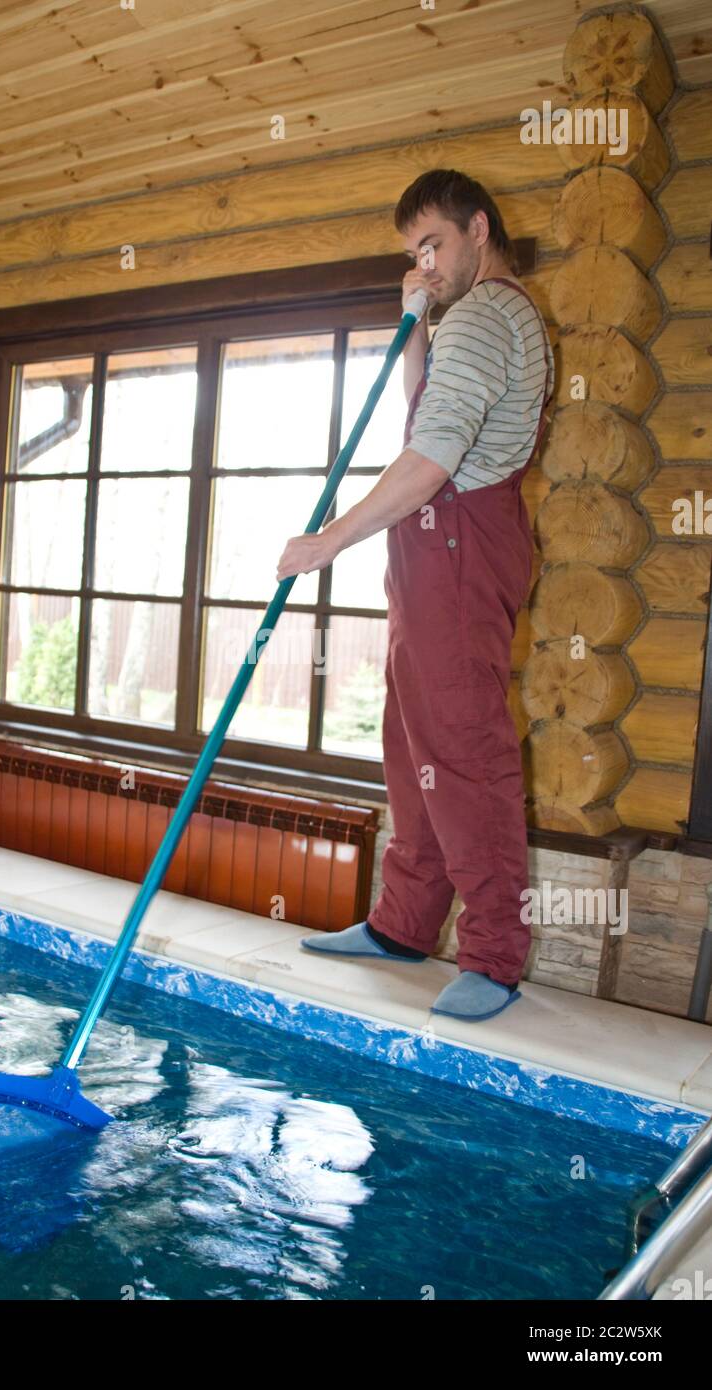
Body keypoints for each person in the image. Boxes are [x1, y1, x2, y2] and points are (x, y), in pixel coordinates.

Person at [276, 169, 554, 1023]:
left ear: (478, 227)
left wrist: (330, 540)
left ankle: (495, 956)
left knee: (464, 746)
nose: (424, 264)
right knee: (414, 741)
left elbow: (429, 461)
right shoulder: (463, 318)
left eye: (432, 245)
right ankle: (404, 925)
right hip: (437, 549)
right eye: (412, 254)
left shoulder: (489, 314)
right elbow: (425, 413)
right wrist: (414, 323)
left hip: (461, 544)